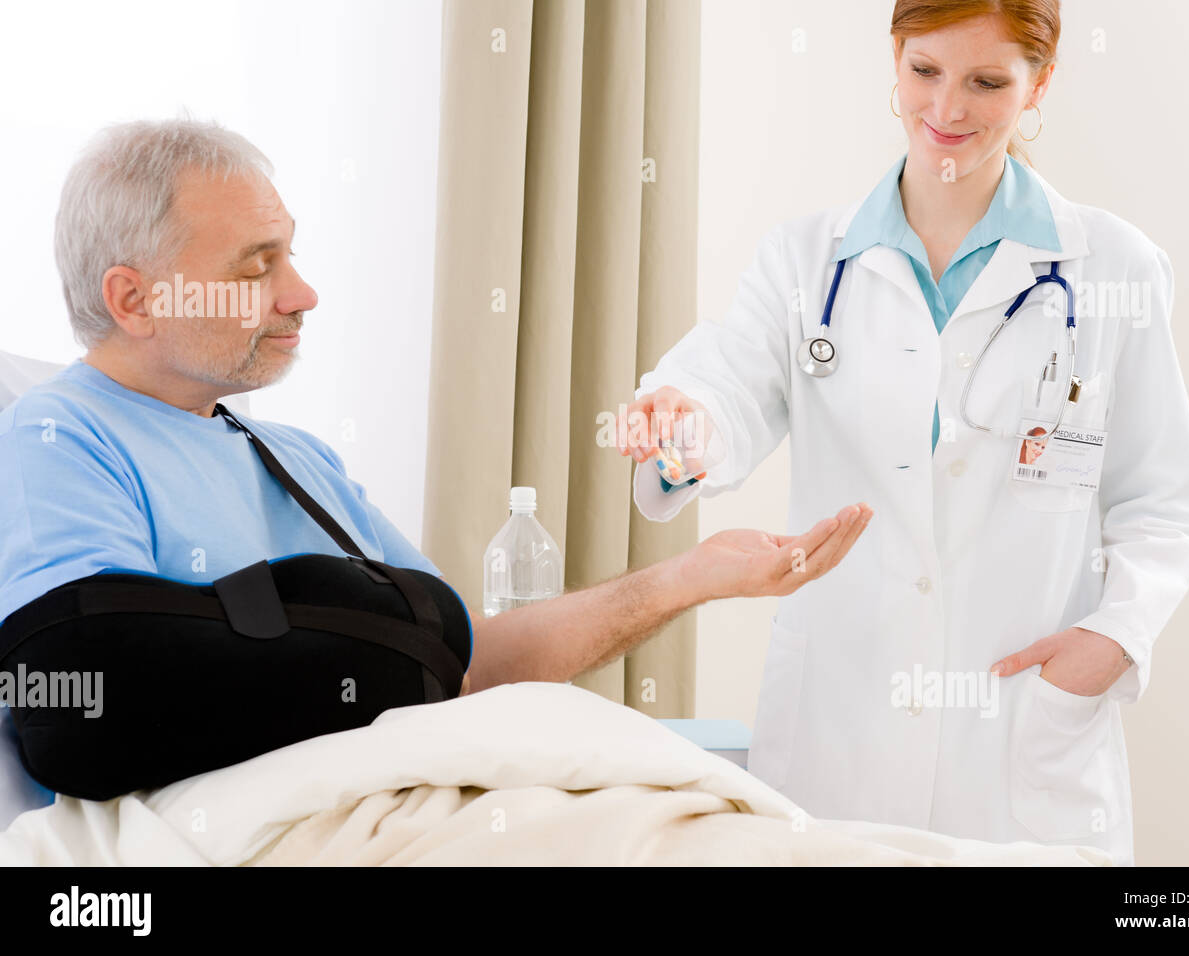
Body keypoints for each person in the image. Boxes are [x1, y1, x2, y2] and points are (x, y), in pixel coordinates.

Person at [0, 119, 871, 827]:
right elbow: (87, 698)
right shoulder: (59, 436)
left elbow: (461, 659)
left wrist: (688, 579)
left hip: (405, 802)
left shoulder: (297, 461)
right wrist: (360, 642)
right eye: (257, 266)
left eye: (290, 255)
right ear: (134, 299)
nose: (302, 293)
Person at [617, 0, 1189, 866]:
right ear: (894, 60)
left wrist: (1111, 638)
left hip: (1022, 745)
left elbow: (1163, 501)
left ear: (1040, 83)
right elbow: (726, 389)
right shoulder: (807, 263)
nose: (948, 110)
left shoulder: (1114, 269)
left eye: (986, 82)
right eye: (925, 71)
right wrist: (682, 423)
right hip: (841, 730)